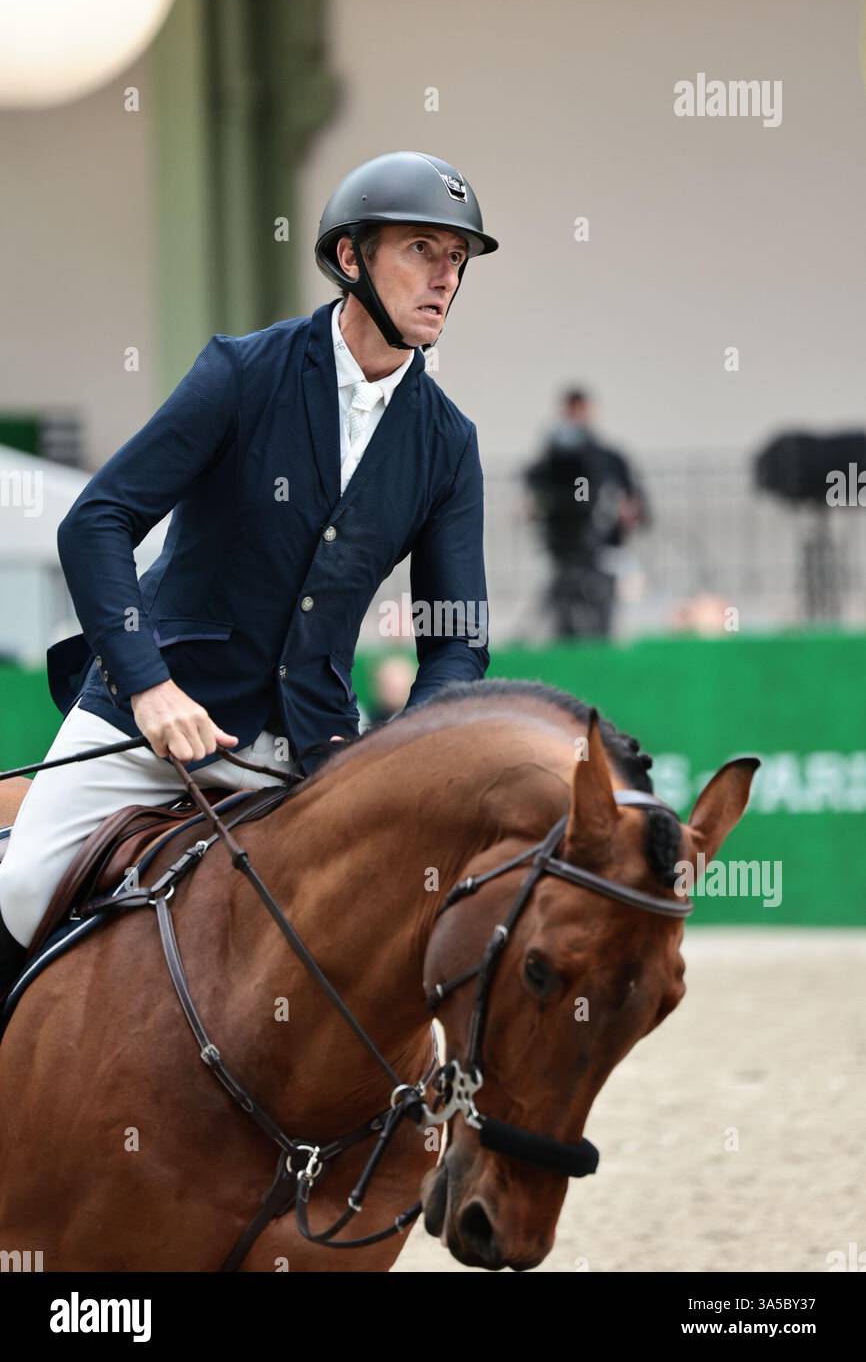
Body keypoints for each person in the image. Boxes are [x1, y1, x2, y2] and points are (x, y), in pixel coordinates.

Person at [0, 150, 498, 996]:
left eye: (456, 259)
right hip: (147, 726)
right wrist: (150, 687)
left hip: (308, 752)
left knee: (401, 945)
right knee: (18, 894)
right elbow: (99, 522)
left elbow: (456, 643)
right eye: (421, 249)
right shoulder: (243, 372)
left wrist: (403, 761)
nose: (443, 278)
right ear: (351, 258)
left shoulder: (447, 443)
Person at [524, 389, 648, 638]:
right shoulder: (548, 465)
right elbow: (533, 495)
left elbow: (638, 505)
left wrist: (625, 508)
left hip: (601, 553)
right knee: (565, 621)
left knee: (601, 616)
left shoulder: (609, 460)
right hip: (562, 553)